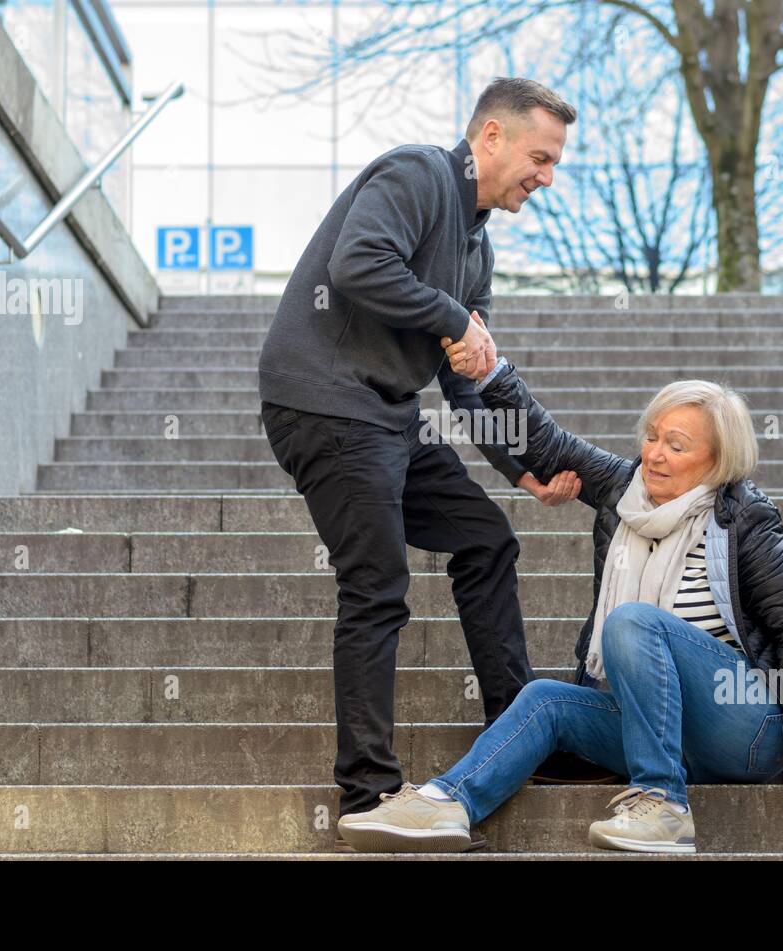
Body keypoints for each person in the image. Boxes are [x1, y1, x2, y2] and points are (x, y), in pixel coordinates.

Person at [337, 345, 783, 853]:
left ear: (719, 461)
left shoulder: (743, 517)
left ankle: (662, 805)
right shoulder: (623, 488)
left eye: (677, 445)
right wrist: (493, 373)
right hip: (663, 731)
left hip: (745, 726)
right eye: (652, 438)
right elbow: (549, 445)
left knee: (633, 623)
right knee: (545, 700)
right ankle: (445, 804)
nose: (654, 454)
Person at [256, 78, 583, 833]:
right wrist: (451, 318)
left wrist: (519, 466)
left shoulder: (477, 249)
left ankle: (519, 730)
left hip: (389, 418)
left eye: (556, 161)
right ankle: (368, 794)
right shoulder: (415, 174)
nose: (547, 176)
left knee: (487, 537)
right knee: (377, 583)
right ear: (492, 138)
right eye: (540, 156)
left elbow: (464, 379)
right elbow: (358, 263)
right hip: (325, 404)